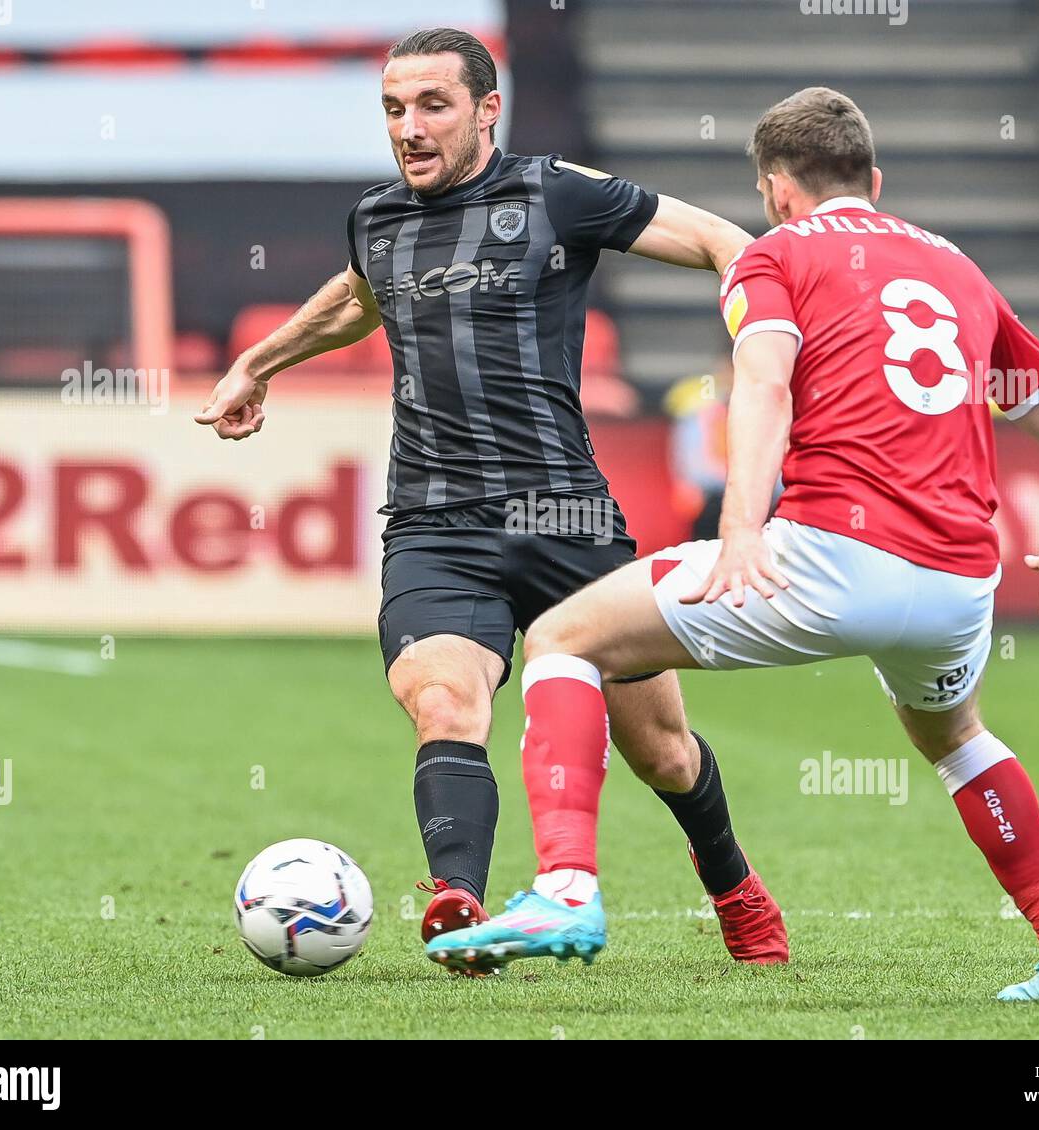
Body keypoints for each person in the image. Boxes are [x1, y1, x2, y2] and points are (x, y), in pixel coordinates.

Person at [427, 86, 1039, 1005]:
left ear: (773, 190)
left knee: (562, 638)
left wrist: (740, 531)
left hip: (825, 559)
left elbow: (760, 387)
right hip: (960, 584)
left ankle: (564, 892)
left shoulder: (774, 256)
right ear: (873, 180)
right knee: (959, 743)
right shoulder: (960, 270)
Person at [195, 27, 787, 967]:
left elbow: (724, 241)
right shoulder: (378, 218)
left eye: (432, 105)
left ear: (485, 110)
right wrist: (256, 364)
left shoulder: (555, 192)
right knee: (444, 702)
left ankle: (736, 888)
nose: (410, 127)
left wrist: (771, 345)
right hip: (435, 523)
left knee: (663, 751)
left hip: (565, 517)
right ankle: (460, 905)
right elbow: (358, 299)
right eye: (393, 108)